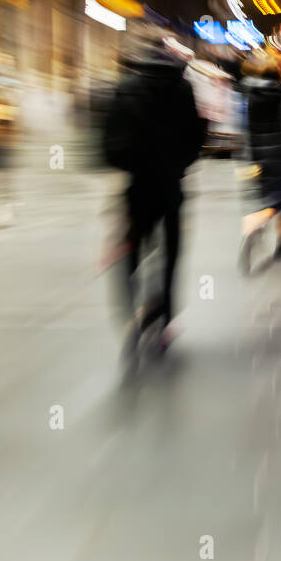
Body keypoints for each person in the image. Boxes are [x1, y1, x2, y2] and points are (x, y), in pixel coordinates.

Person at [103, 33, 206, 357]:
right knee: (171, 254)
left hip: (137, 189)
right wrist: (179, 165)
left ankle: (131, 317)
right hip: (171, 187)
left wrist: (131, 165)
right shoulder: (183, 87)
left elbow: (108, 145)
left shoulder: (126, 86)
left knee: (130, 252)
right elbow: (196, 137)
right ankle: (162, 319)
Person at [238, 58, 281, 267]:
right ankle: (272, 237)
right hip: (280, 154)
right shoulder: (278, 93)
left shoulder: (249, 92)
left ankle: (254, 223)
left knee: (267, 195)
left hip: (257, 155)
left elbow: (243, 125)